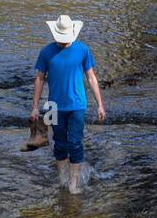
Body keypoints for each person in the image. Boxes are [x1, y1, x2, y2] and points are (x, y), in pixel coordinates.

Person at [31, 14, 106, 194]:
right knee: (59, 143)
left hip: (77, 105)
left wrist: (100, 104)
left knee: (75, 143)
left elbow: (91, 77)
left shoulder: (83, 50)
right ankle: (62, 178)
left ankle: (73, 183)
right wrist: (34, 106)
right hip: (53, 106)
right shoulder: (46, 52)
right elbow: (39, 79)